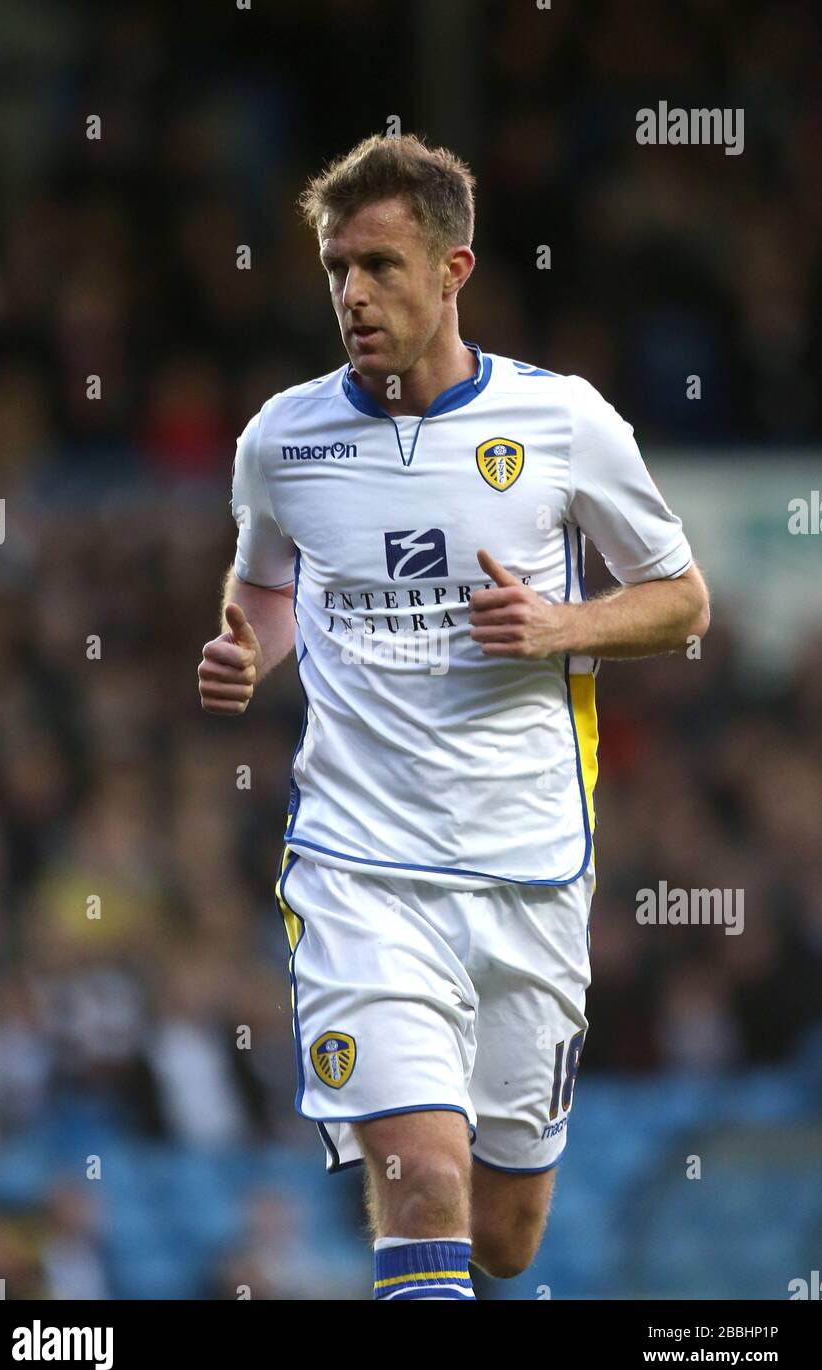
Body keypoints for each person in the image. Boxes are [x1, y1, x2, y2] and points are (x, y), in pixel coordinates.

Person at [198, 133, 710, 1301]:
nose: (352, 295)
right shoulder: (282, 438)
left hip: (528, 870)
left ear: (453, 269)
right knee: (422, 1175)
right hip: (358, 867)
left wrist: (559, 628)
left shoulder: (564, 423)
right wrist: (246, 650)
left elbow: (683, 602)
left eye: (379, 266)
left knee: (504, 1228)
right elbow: (267, 585)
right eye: (336, 269)